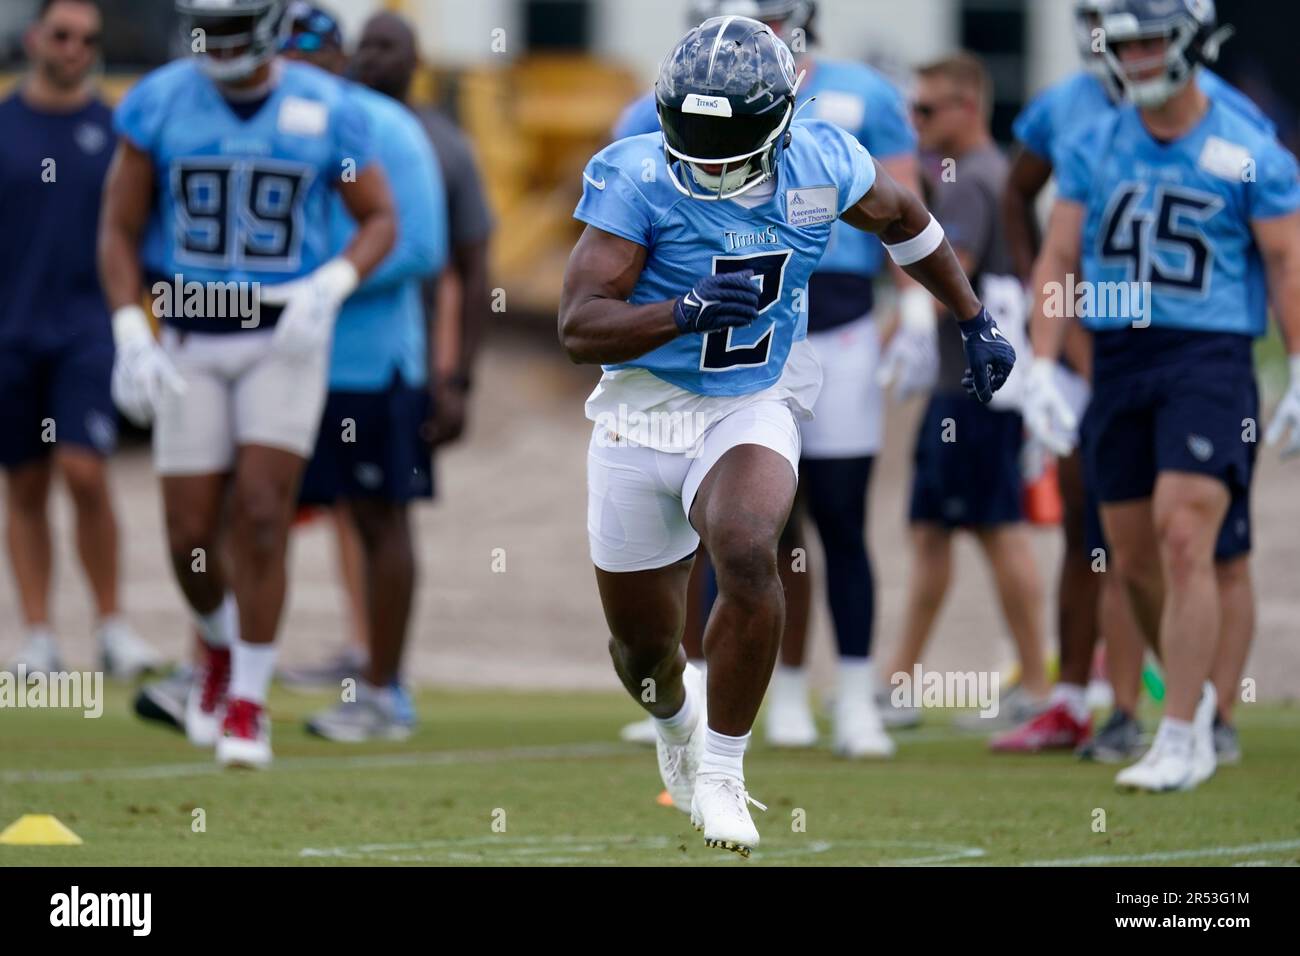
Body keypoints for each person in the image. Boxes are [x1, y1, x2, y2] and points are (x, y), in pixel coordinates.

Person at [559, 16, 1015, 854]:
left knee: (744, 542)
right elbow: (580, 324)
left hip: (753, 396)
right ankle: (675, 724)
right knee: (643, 653)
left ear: (781, 121)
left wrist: (972, 316)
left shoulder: (823, 158)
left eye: (726, 139)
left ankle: (726, 773)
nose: (706, 156)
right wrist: (678, 312)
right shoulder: (634, 176)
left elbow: (906, 219)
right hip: (637, 408)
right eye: (691, 137)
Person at [609, 0, 932, 758]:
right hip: (721, 331)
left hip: (837, 322)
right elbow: (617, 223)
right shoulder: (661, 102)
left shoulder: (858, 98)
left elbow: (906, 206)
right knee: (731, 527)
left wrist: (918, 313)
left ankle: (852, 697)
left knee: (840, 518)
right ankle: (720, 687)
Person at [98, 0, 396, 768]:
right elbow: (119, 227)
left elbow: (378, 219)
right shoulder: (161, 98)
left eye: (231, 27)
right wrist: (131, 328)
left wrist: (332, 282)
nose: (216, 44)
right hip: (192, 328)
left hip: (281, 333)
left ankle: (248, 701)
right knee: (189, 532)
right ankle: (220, 647)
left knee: (264, 512)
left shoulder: (323, 106)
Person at [1024, 0, 1300, 792]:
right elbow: (1059, 254)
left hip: (1207, 356)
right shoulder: (1095, 142)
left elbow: (1287, 263)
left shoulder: (1247, 147)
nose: (1137, 59)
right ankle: (1200, 700)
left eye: (1152, 43)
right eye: (1127, 44)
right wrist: (1043, 361)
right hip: (1117, 355)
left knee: (1189, 539)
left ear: (1190, 42)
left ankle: (1181, 732)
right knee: (1134, 561)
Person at [280, 8, 495, 690]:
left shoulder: (415, 135)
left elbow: (450, 259)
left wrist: (455, 376)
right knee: (260, 512)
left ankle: (380, 682)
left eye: (322, 54)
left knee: (376, 516)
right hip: (281, 360)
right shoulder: (275, 122)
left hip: (377, 362)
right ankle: (229, 678)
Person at [880, 53, 1049, 730]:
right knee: (932, 532)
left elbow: (952, 273)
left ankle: (1037, 685)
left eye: (926, 110)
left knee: (998, 530)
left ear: (967, 108)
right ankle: (899, 685)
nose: (916, 122)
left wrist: (902, 325)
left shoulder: (973, 181)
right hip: (966, 389)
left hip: (975, 392)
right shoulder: (976, 175)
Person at [0, 0, 162, 679]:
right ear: (36, 38)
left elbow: (140, 232)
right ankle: (38, 636)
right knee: (25, 485)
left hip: (89, 331)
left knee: (85, 472)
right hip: (10, 334)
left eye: (88, 39)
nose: (75, 49)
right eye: (63, 35)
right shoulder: (4, 126)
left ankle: (112, 625)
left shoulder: (118, 128)